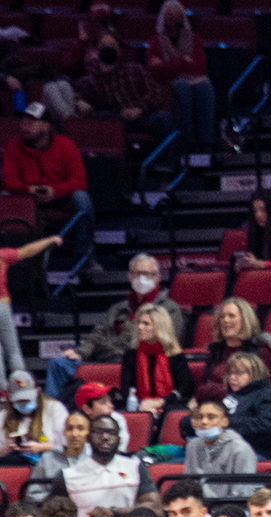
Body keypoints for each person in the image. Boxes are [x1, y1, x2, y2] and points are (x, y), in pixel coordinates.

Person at [54, 253, 185, 403]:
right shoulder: (117, 309)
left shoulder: (168, 308)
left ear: (157, 277)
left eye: (147, 274)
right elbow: (97, 335)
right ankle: (55, 410)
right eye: (137, 274)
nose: (142, 278)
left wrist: (112, 347)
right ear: (129, 277)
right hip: (104, 359)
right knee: (59, 364)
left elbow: (166, 340)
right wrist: (79, 353)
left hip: (136, 362)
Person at [1, 103, 93, 280]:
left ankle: (85, 260)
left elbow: (79, 181)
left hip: (60, 198)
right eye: (23, 121)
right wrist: (28, 190)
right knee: (4, 198)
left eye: (31, 122)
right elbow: (8, 181)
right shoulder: (13, 146)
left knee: (82, 198)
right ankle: (8, 259)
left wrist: (55, 191)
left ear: (46, 125)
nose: (24, 126)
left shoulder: (66, 145)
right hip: (26, 199)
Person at [48, 413, 159, 517]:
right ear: (88, 438)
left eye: (111, 433)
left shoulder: (135, 467)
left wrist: (113, 512)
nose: (105, 437)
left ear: (119, 439)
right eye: (99, 432)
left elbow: (155, 509)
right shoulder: (67, 476)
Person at [74, 35, 172, 143]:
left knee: (162, 117)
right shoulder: (91, 80)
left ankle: (168, 154)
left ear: (119, 51)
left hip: (142, 117)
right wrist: (81, 103)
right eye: (104, 46)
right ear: (97, 51)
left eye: (112, 46)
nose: (108, 49)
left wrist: (140, 109)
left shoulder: (135, 70)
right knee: (100, 116)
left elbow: (155, 92)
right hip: (114, 122)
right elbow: (76, 97)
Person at [148, 1, 213, 148]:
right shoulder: (156, 41)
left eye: (175, 14)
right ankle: (186, 140)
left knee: (205, 87)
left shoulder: (194, 39)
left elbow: (201, 66)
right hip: (169, 81)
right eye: (169, 14)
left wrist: (170, 64)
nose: (172, 18)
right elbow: (155, 69)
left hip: (195, 78)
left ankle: (206, 140)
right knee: (182, 87)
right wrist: (183, 62)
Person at [0, 234, 63, 380]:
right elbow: (27, 251)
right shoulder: (1, 255)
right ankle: (23, 386)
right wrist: (49, 240)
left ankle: (2, 391)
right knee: (13, 351)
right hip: (2, 307)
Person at [193, 297, 271, 406]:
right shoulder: (216, 350)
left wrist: (215, 392)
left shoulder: (260, 351)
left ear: (245, 320)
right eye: (222, 316)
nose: (225, 320)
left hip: (243, 407)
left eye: (231, 316)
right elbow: (203, 386)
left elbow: (261, 390)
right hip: (212, 406)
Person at [118, 303, 192, 420]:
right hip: (139, 407)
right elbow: (126, 388)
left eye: (146, 324)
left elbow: (185, 388)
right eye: (139, 323)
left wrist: (160, 402)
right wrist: (141, 405)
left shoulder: (175, 355)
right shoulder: (130, 355)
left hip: (168, 407)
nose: (140, 327)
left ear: (160, 327)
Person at [223, 351, 271, 461]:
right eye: (230, 373)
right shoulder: (232, 396)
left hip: (261, 454)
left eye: (238, 373)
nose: (232, 377)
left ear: (255, 374)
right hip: (232, 451)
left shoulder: (267, 396)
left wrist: (228, 424)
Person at [182, 398, 255, 498]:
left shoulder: (241, 449)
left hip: (231, 505)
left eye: (211, 417)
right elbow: (188, 485)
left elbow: (243, 494)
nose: (204, 422)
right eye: (200, 417)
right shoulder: (192, 445)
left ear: (225, 422)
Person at [2, 370, 66, 459]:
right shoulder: (3, 417)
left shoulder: (55, 409)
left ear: (37, 392)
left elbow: (68, 446)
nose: (24, 403)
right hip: (15, 462)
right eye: (19, 401)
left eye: (27, 399)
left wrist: (42, 447)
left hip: (50, 461)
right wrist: (6, 450)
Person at [30, 412, 93, 492]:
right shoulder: (47, 459)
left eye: (80, 429)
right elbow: (35, 492)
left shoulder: (95, 458)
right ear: (64, 432)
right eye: (69, 429)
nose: (74, 434)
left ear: (89, 433)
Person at [72, 381, 130, 453]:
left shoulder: (117, 419)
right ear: (87, 409)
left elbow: (119, 449)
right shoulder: (74, 424)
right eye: (103, 402)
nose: (111, 406)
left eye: (110, 401)